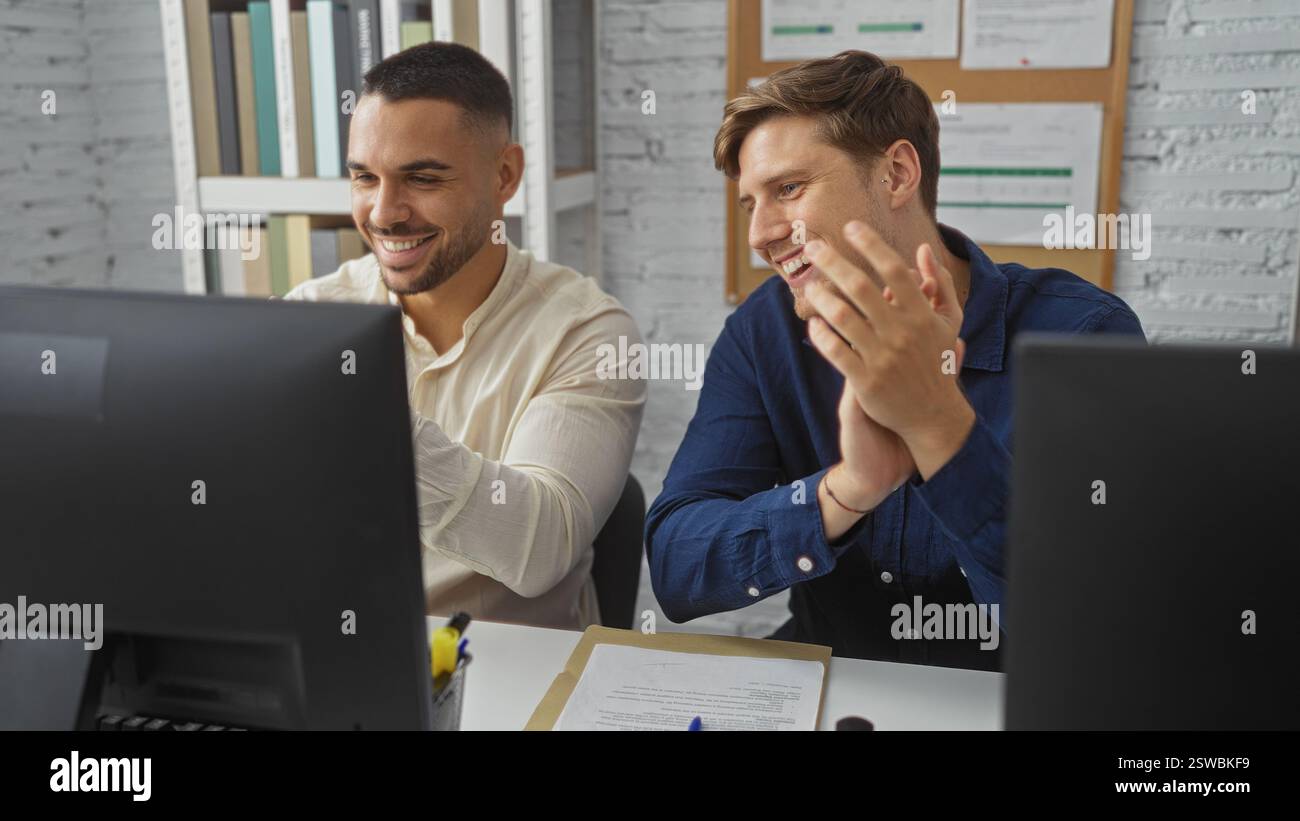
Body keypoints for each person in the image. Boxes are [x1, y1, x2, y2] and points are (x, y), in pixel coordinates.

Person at [646, 51, 1144, 669]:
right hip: (834, 682)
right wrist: (849, 489)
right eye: (752, 203)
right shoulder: (763, 332)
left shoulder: (1082, 334)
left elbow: (1090, 629)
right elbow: (677, 567)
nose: (760, 234)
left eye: (789, 189)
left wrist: (940, 428)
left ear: (897, 173)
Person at [286, 42, 645, 630]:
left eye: (422, 178)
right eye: (364, 178)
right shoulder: (311, 317)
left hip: (504, 683)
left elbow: (540, 548)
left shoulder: (589, 334)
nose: (384, 212)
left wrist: (368, 417)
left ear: (505, 175)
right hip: (337, 655)